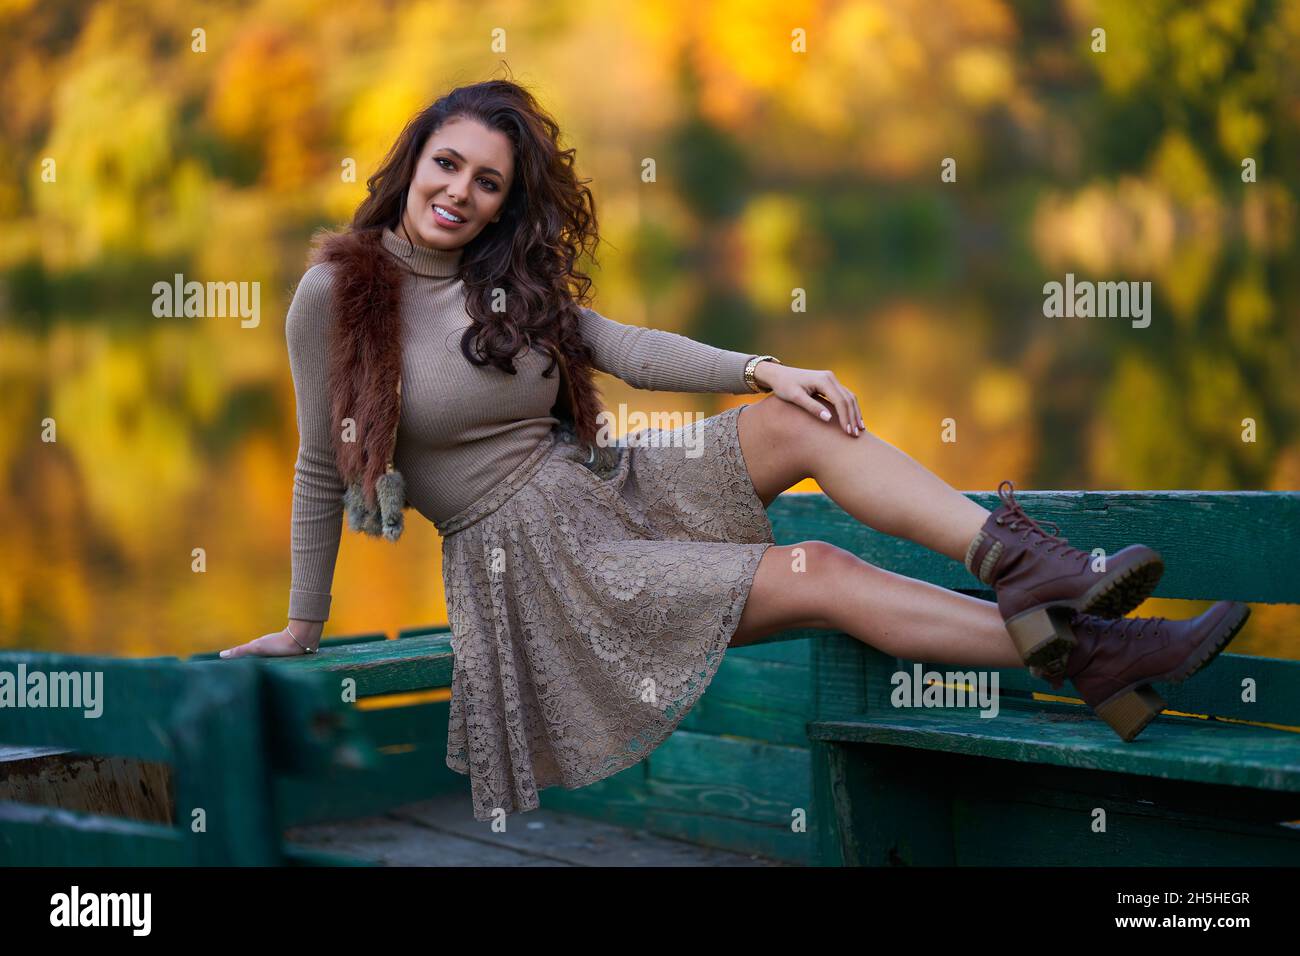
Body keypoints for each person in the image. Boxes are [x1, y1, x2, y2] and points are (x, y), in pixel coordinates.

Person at [218, 80, 1250, 820]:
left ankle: (1029, 566)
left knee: (802, 418)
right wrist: (304, 622)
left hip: (601, 486)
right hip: (532, 563)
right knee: (824, 569)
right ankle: (1097, 651)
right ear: (411, 162)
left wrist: (761, 366)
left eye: (489, 182)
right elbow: (318, 466)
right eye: (448, 164)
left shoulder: (501, 279)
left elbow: (619, 344)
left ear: (505, 202)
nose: (461, 192)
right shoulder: (337, 296)